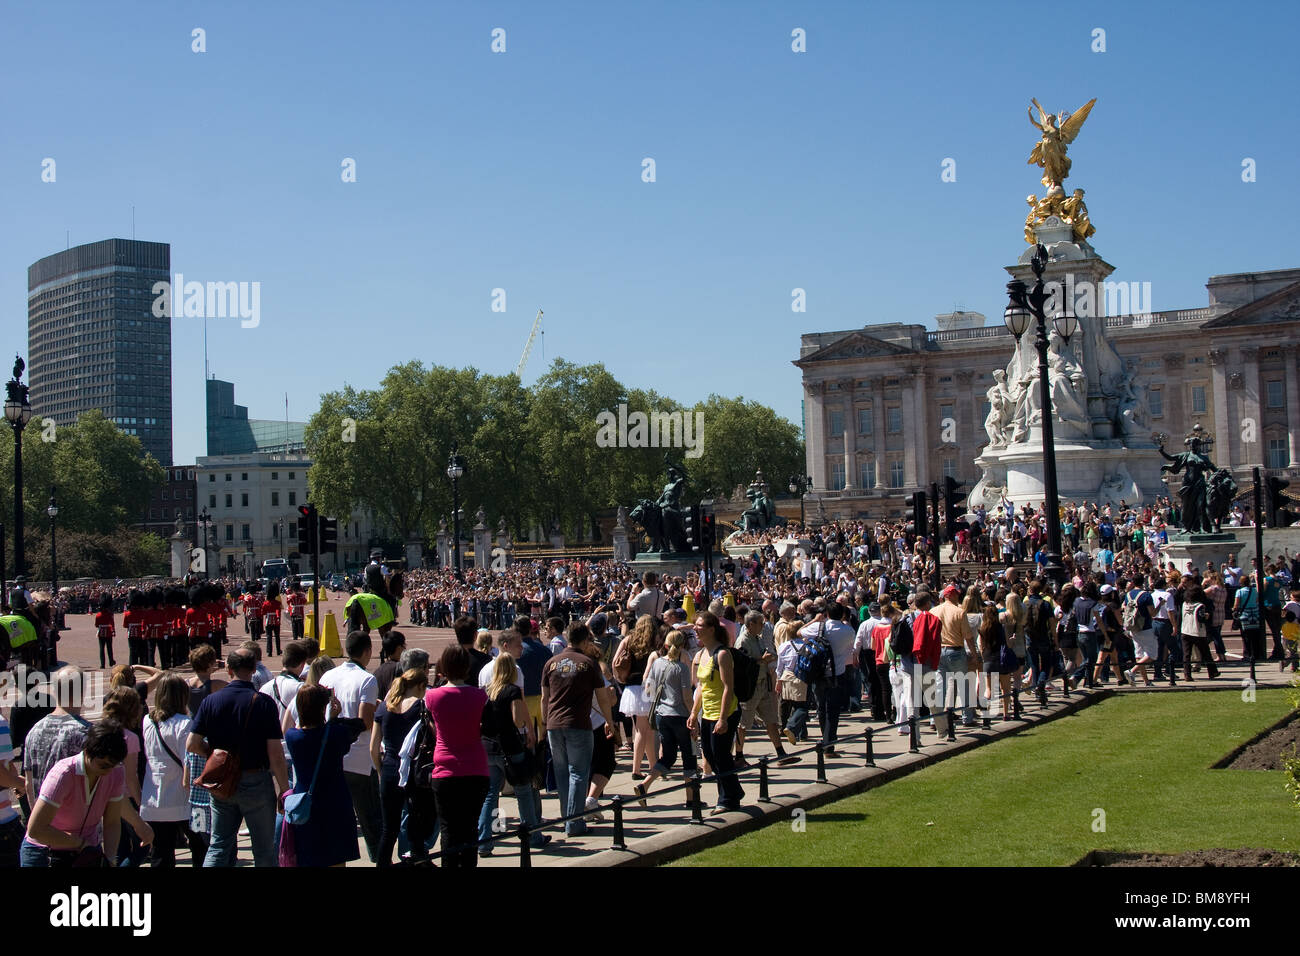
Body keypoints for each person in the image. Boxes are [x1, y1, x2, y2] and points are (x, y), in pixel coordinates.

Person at [185, 647, 290, 867]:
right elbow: (275, 753)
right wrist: (283, 788)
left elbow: (192, 744)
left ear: (229, 670)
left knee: (219, 845)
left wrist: (213, 755)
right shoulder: (263, 703)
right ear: (253, 669)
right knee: (263, 849)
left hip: (222, 780)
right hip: (256, 780)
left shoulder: (211, 701)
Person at [22, 720, 152, 867]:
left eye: (113, 765)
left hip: (87, 852)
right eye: (103, 766)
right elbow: (36, 829)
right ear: (88, 751)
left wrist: (109, 860)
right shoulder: (63, 774)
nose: (108, 772)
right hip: (44, 854)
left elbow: (112, 822)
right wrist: (79, 843)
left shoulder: (116, 772)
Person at [541, 622, 610, 838]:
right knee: (578, 773)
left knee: (562, 773)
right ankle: (573, 821)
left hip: (554, 724)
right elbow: (603, 698)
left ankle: (567, 817)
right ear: (585, 640)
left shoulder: (551, 663)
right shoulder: (589, 664)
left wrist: (545, 723)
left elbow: (545, 698)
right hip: (578, 724)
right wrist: (610, 721)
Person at [318, 629, 382, 863]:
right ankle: (379, 858)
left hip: (333, 755)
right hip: (359, 756)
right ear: (367, 652)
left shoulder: (327, 677)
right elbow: (365, 720)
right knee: (371, 817)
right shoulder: (367, 679)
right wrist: (378, 709)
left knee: (336, 816)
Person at [284, 684, 365, 867]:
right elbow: (358, 725)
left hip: (305, 803)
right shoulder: (336, 733)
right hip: (335, 801)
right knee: (336, 858)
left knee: (309, 857)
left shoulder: (292, 737)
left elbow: (309, 734)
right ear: (323, 707)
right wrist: (334, 718)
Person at [477, 653, 550, 854]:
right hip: (510, 747)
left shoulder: (486, 691)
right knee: (524, 792)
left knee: (490, 795)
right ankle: (533, 835)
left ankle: (484, 841)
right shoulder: (512, 691)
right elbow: (518, 721)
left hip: (489, 746)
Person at [424, 645, 490, 867]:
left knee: (448, 830)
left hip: (445, 768)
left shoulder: (432, 696)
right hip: (475, 767)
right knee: (470, 829)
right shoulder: (480, 695)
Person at [141, 672, 208, 867]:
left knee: (161, 852)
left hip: (155, 798)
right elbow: (188, 759)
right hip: (187, 799)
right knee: (201, 845)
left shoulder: (147, 721)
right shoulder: (184, 723)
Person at [372, 665, 435, 866]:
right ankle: (417, 859)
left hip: (390, 767)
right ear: (420, 686)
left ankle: (383, 863)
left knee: (388, 829)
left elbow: (374, 747)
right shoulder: (421, 707)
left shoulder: (384, 707)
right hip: (413, 769)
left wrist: (381, 770)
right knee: (416, 823)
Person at [689, 611, 744, 814]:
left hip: (725, 711)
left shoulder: (722, 654)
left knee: (721, 755)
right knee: (711, 756)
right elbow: (702, 686)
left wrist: (723, 719)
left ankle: (726, 799)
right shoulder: (702, 653)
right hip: (707, 712)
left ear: (711, 629)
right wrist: (694, 713)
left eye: (699, 625)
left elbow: (728, 687)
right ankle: (734, 791)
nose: (695, 628)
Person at [636, 630, 696, 803]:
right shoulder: (682, 668)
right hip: (680, 715)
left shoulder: (658, 663)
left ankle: (645, 785)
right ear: (683, 646)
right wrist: (693, 714)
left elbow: (649, 690)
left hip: (662, 715)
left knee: (668, 756)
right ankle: (691, 799)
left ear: (666, 645)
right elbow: (686, 695)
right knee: (689, 756)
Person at [734, 609, 797, 766]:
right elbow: (741, 665)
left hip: (763, 685)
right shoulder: (743, 641)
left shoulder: (757, 638)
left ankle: (781, 753)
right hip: (750, 688)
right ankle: (739, 756)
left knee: (771, 720)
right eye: (760, 623)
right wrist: (760, 660)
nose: (763, 625)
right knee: (743, 724)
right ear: (751, 624)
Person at [610, 615, 656, 778]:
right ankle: (636, 769)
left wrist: (620, 678)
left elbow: (615, 661)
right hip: (647, 688)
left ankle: (653, 766)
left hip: (631, 686)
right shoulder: (654, 642)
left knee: (646, 730)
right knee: (643, 730)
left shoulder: (628, 640)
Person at [932, 584, 978, 726]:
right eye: (956, 594)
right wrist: (974, 654)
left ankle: (936, 719)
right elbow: (968, 636)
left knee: (940, 687)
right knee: (964, 685)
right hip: (955, 650)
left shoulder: (934, 611)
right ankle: (967, 718)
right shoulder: (959, 612)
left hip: (940, 651)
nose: (958, 596)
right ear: (950, 595)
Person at [1179, 585, 1220, 681]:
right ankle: (1212, 672)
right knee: (1206, 653)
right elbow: (1200, 618)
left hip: (1185, 630)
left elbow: (1180, 617)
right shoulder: (1200, 606)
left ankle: (1187, 674)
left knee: (1187, 655)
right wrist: (1206, 616)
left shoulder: (1185, 604)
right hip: (1197, 632)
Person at [0, 711, 25, 867]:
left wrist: (16, 780)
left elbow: (7, 765)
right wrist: (22, 784)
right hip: (3, 823)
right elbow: (2, 772)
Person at [94, 593, 117, 668]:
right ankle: (111, 661)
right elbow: (112, 623)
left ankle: (102, 664)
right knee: (109, 647)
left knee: (101, 648)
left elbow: (96, 625)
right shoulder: (110, 614)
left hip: (101, 632)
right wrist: (113, 631)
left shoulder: (98, 615)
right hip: (108, 632)